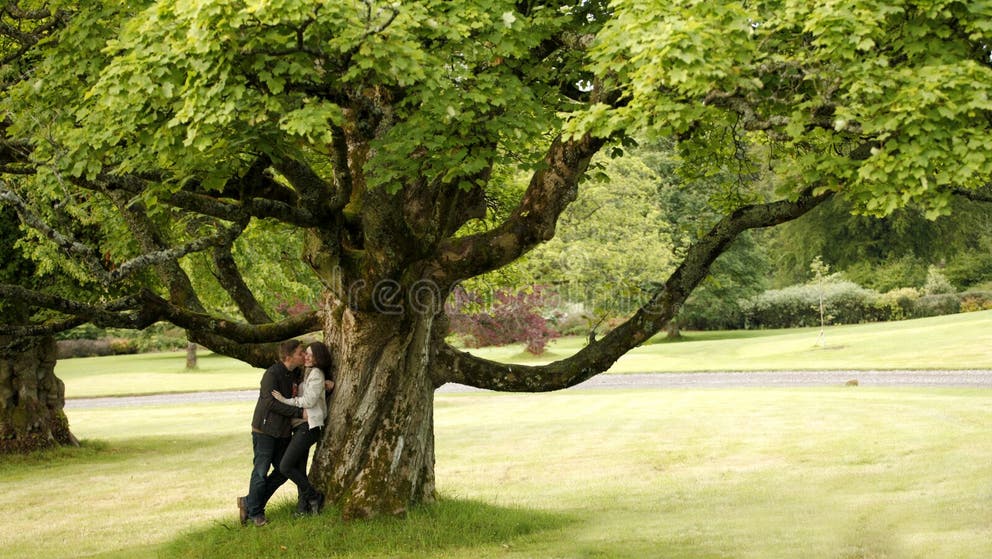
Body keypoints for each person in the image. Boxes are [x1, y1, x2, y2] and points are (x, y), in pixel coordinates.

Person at [237, 339, 306, 527]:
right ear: (289, 356)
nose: (304, 355)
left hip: (283, 433)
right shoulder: (272, 374)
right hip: (264, 431)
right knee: (260, 471)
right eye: (301, 352)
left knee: (284, 470)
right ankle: (256, 513)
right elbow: (270, 403)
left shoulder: (296, 373)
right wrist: (299, 413)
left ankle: (249, 502)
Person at [271, 341, 335, 516]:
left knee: (285, 466)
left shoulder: (316, 374)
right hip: (300, 427)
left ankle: (314, 496)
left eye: (310, 354)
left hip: (309, 427)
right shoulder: (309, 373)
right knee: (298, 469)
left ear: (318, 357)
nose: (306, 356)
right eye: (305, 353)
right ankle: (303, 509)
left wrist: (285, 401)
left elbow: (308, 402)